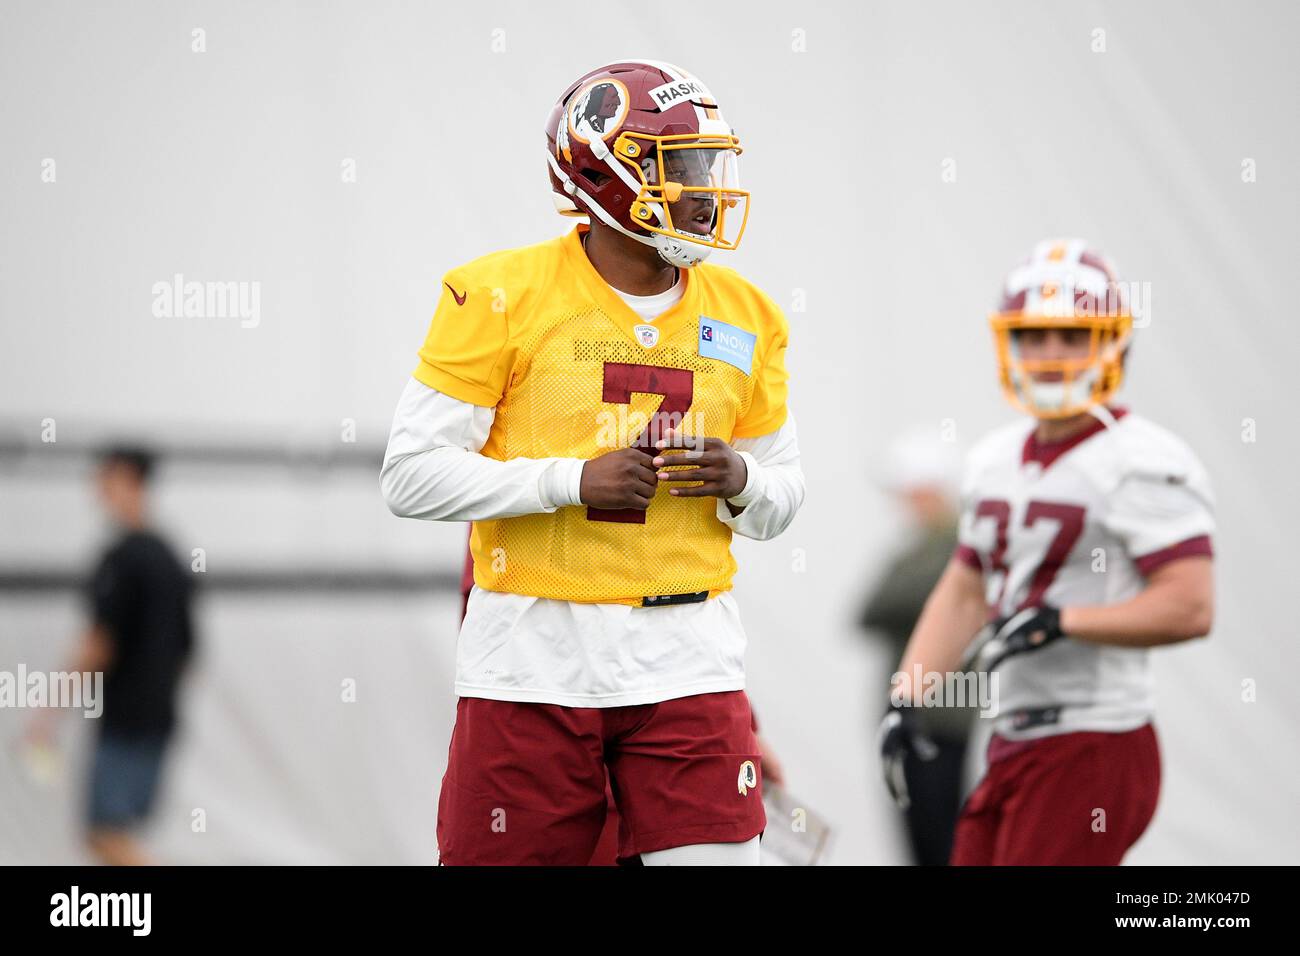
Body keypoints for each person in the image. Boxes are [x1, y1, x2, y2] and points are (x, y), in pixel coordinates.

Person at [383, 60, 804, 866]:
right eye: (675, 163)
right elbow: (408, 474)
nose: (702, 185)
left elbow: (785, 491)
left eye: (704, 163)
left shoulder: (749, 315)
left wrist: (743, 481)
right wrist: (571, 480)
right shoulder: (498, 292)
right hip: (532, 656)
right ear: (599, 169)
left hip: (688, 654)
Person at [879, 239, 1215, 865]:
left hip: (1096, 737)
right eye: (1035, 336)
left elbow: (1191, 606)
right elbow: (965, 589)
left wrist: (1066, 621)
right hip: (1012, 736)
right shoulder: (992, 459)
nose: (1052, 355)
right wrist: (909, 697)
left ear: (1113, 342)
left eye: (1071, 335)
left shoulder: (1143, 459)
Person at [28, 446, 196, 865]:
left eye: (107, 479)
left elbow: (97, 645)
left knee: (105, 835)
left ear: (131, 481)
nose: (99, 490)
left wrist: (47, 716)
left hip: (126, 720)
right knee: (115, 835)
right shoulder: (172, 556)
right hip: (158, 718)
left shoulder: (121, 560)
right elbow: (188, 651)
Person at [859, 428, 972, 865]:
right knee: (923, 835)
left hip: (939, 719)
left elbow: (884, 603)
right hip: (918, 718)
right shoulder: (922, 548)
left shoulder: (951, 548)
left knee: (939, 835)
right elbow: (869, 611)